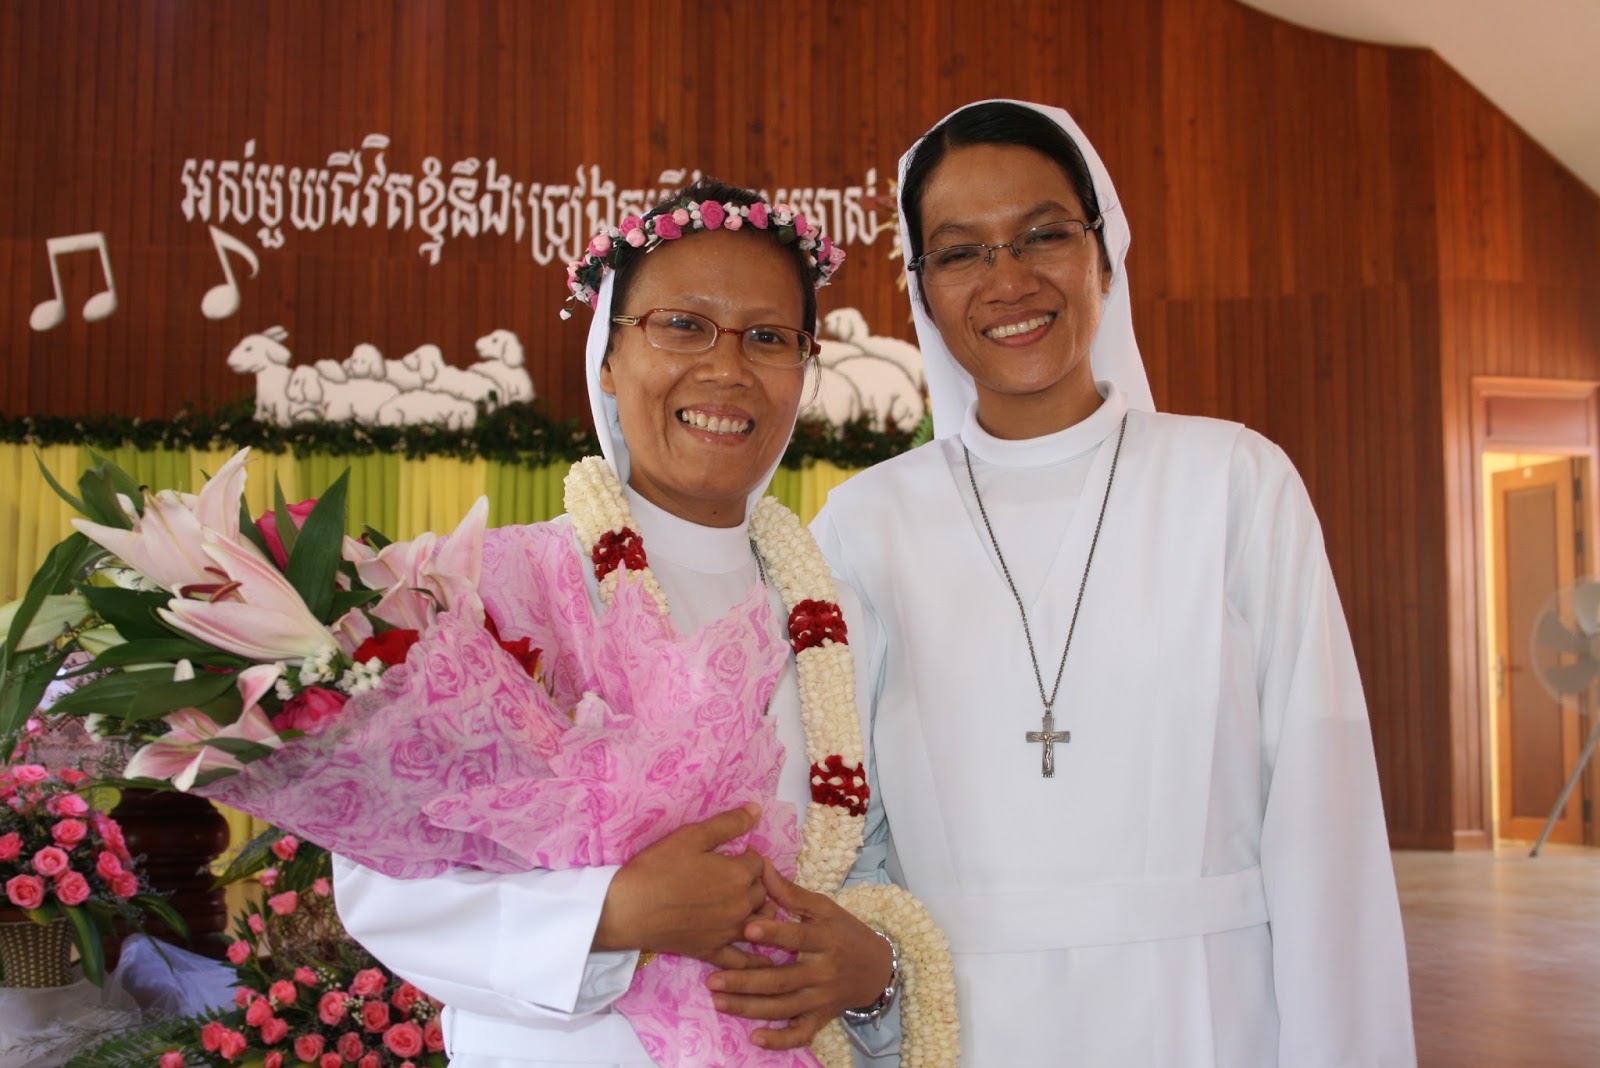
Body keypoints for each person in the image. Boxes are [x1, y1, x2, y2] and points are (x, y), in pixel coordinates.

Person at [802, 100, 1417, 1066]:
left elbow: (1322, 815)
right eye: (961, 253)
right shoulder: (863, 524)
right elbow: (842, 826)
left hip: (1210, 1014)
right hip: (961, 1023)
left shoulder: (1235, 481)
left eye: (1043, 234)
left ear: (1105, 253)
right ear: (921, 287)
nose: (1009, 280)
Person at [332, 179, 912, 1066]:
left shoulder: (842, 619)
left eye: (769, 337)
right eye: (682, 324)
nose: (727, 368)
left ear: (804, 369)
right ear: (608, 353)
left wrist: (872, 963)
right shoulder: (489, 587)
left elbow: (873, 865)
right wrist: (614, 916)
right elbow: (384, 882)